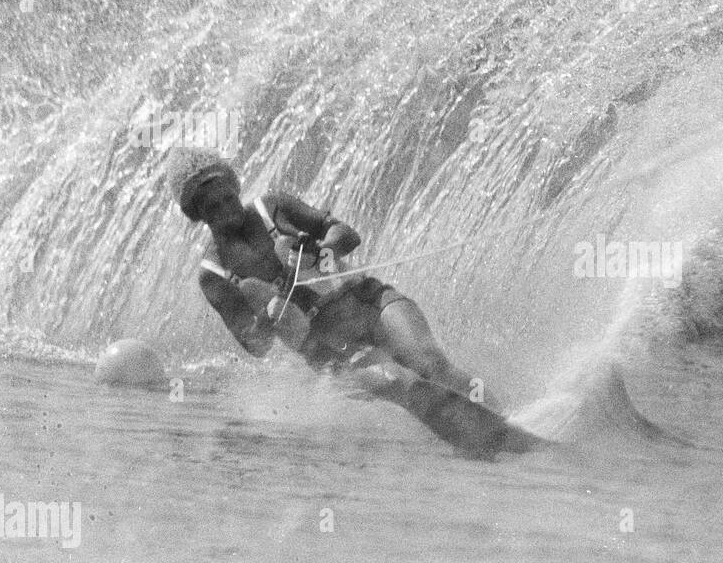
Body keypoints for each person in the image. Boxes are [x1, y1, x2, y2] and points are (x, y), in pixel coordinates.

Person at [168, 150, 488, 405]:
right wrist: (269, 312)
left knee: (432, 364)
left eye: (229, 197)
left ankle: (506, 416)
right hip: (327, 346)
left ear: (234, 188)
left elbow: (347, 233)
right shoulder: (214, 275)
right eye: (215, 206)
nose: (229, 209)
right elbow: (255, 345)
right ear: (199, 215)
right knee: (396, 381)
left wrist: (322, 252)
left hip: (367, 301)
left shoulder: (273, 207)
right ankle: (447, 420)